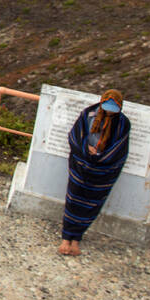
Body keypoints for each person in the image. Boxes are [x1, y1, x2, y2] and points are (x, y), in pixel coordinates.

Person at [60, 88, 131, 255]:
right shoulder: (88, 114)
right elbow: (76, 135)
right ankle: (65, 237)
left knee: (92, 204)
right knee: (73, 199)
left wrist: (100, 156)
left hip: (103, 171)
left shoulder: (123, 123)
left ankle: (77, 239)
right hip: (81, 165)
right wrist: (86, 150)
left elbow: (119, 148)